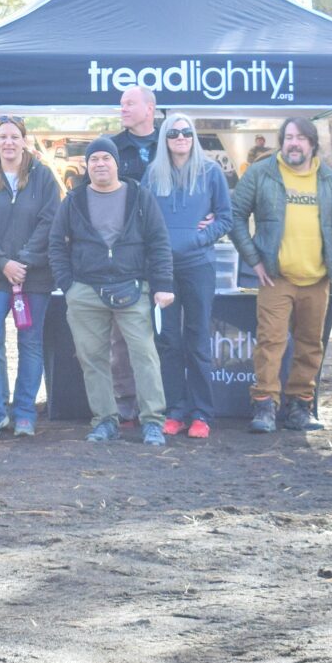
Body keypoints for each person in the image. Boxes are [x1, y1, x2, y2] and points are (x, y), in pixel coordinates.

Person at [230, 116, 332, 433]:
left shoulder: (327, 179)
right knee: (270, 343)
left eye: (300, 138)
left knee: (310, 345)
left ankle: (300, 407)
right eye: (288, 137)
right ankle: (265, 407)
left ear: (312, 144)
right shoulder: (262, 173)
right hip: (276, 276)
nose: (293, 143)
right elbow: (235, 215)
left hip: (317, 278)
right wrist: (254, 259)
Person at [49, 134, 174, 445]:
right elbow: (56, 244)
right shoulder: (74, 201)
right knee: (92, 358)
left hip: (132, 287)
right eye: (94, 159)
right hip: (85, 291)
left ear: (117, 163)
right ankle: (105, 420)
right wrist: (68, 285)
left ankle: (152, 421)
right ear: (86, 166)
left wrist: (162, 285)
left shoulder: (139, 197)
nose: (100, 164)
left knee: (144, 354)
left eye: (106, 158)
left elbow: (158, 242)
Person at [0, 116, 60, 440]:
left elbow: (50, 222)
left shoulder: (43, 178)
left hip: (34, 278)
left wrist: (22, 262)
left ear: (24, 140)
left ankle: (24, 414)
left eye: (14, 137)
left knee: (30, 344)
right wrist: (3, 262)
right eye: (2, 137)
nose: (8, 142)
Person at [149, 112, 232, 438]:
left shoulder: (211, 172)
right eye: (173, 133)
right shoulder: (153, 175)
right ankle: (175, 411)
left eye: (186, 132)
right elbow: (142, 218)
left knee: (197, 340)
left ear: (193, 137)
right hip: (163, 269)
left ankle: (201, 414)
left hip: (199, 265)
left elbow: (226, 218)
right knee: (168, 341)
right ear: (165, 139)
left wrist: (200, 238)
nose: (180, 138)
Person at [108, 85, 163, 418]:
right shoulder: (112, 148)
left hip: (165, 252)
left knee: (164, 336)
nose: (123, 109)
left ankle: (163, 404)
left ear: (150, 107)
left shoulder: (172, 143)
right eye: (121, 104)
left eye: (130, 103)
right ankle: (125, 404)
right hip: (125, 255)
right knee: (122, 338)